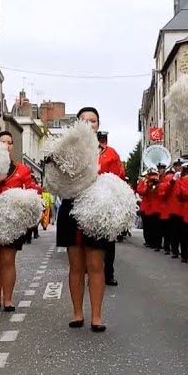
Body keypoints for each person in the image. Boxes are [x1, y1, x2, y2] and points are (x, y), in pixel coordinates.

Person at [56, 108, 118, 331]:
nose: (89, 123)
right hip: (71, 208)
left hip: (96, 211)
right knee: (75, 265)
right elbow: (57, 178)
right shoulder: (67, 150)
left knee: (96, 265)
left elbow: (116, 182)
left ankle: (97, 316)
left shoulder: (110, 154)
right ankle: (77, 313)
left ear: (98, 125)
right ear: (77, 124)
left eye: (93, 121)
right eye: (84, 120)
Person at [0, 132, 41, 312]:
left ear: (12, 146)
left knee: (8, 259)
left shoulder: (22, 169)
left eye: (9, 142)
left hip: (11, 219)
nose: (6, 145)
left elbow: (30, 190)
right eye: (2, 142)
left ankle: (8, 299)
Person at [96, 130, 125, 285]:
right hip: (89, 198)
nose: (101, 142)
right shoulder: (85, 150)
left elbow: (119, 175)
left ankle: (108, 273)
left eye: (102, 139)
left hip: (107, 198)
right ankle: (93, 270)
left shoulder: (112, 153)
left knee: (109, 239)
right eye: (100, 139)